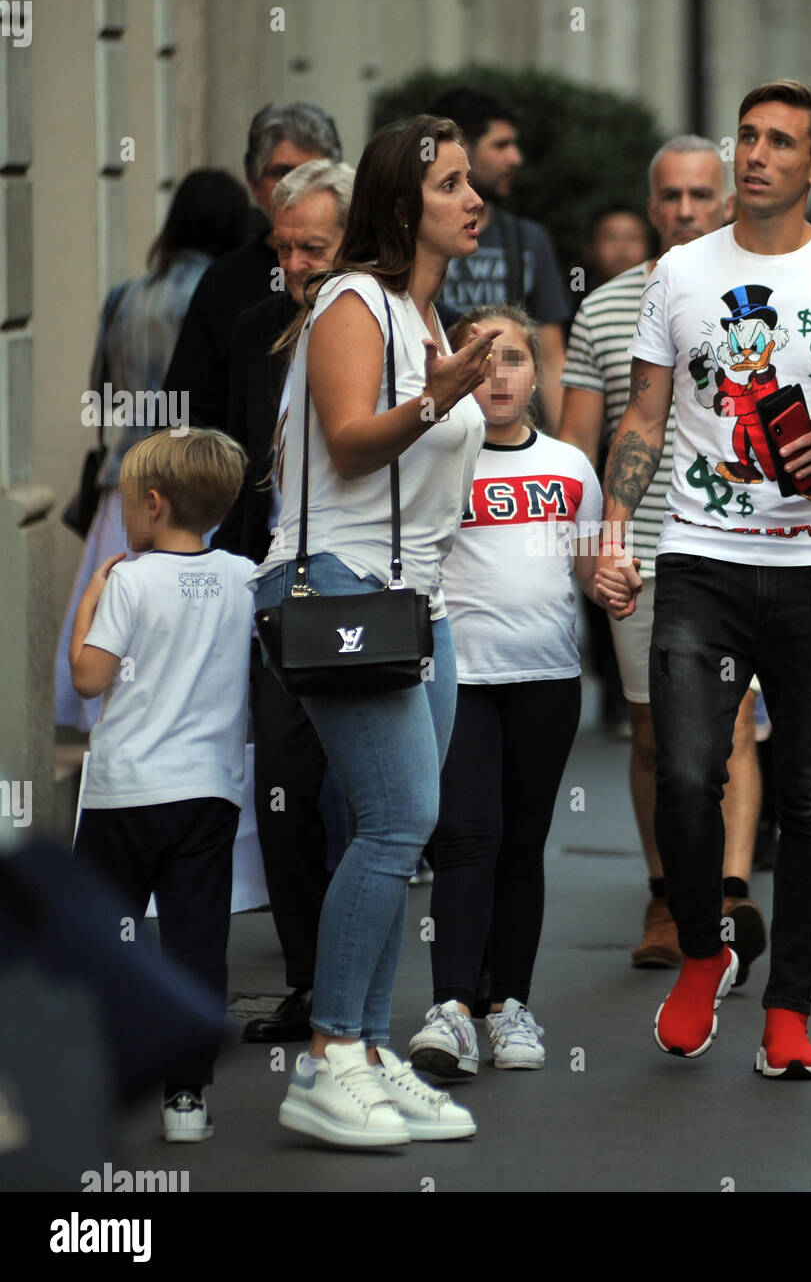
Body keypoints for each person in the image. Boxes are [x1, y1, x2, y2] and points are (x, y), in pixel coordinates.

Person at [596, 80, 811, 1078]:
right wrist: (613, 531)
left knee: (810, 795)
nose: (756, 154)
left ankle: (790, 1013)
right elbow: (647, 417)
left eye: (780, 142)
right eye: (747, 136)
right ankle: (706, 948)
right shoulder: (680, 274)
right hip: (702, 559)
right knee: (691, 778)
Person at [251, 114, 499, 1147]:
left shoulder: (421, 312)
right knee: (399, 821)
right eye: (450, 184)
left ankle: (363, 1046)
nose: (473, 196)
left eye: (473, 180)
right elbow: (352, 447)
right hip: (338, 583)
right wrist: (437, 398)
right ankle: (328, 1060)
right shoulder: (356, 301)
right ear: (404, 206)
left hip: (411, 600)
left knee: (383, 831)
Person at [560, 136, 767, 982]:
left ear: (723, 202)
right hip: (642, 553)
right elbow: (576, 443)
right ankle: (661, 890)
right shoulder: (604, 309)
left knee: (736, 733)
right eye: (669, 196)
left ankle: (727, 894)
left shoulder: (758, 298)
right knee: (650, 733)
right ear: (651, 207)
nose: (684, 208)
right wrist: (585, 553)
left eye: (699, 194)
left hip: (739, 543)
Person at [407, 304, 603, 1077]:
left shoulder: (569, 467)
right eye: (479, 356)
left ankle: (509, 1005)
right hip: (459, 678)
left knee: (521, 845)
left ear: (534, 374)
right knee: (464, 838)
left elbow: (593, 569)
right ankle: (451, 1006)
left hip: (548, 681)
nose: (497, 372)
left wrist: (616, 581)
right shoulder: (429, 458)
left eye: (514, 357)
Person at [70, 428, 254, 1143]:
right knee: (195, 946)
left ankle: (90, 1086)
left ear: (153, 503)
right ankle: (186, 1101)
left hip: (123, 792)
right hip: (207, 792)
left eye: (124, 504)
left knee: (99, 942)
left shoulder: (129, 579)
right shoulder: (242, 575)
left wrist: (91, 596)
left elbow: (89, 676)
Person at [211, 159, 355, 1045]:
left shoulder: (392, 330)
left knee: (383, 804)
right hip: (277, 592)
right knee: (286, 792)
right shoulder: (251, 332)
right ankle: (309, 985)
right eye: (285, 245)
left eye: (315, 246)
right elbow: (230, 467)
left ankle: (458, 994)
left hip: (373, 589)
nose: (297, 262)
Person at [54, 168, 250, 732]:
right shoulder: (215, 290)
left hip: (123, 484)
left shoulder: (124, 295)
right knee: (185, 655)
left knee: (113, 649)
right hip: (193, 485)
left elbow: (101, 392)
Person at [162, 102, 342, 432]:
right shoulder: (223, 281)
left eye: (313, 174)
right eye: (283, 174)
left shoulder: (367, 285)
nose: (298, 188)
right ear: (254, 184)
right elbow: (184, 410)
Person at [428, 86, 571, 431]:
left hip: (510, 430)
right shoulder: (419, 242)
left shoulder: (528, 241)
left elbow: (551, 361)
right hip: (436, 429)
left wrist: (567, 452)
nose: (515, 158)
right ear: (462, 145)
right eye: (501, 144)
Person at [583, 202, 651, 289]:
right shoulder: (580, 299)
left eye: (632, 237)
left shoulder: (661, 295)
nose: (622, 248)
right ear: (590, 248)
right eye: (611, 237)